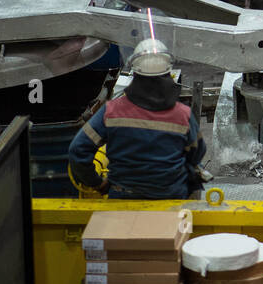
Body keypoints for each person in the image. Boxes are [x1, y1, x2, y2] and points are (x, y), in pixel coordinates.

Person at [68, 38, 206, 199]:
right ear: (168, 73)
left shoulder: (110, 111)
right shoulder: (183, 115)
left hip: (122, 197)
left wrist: (96, 182)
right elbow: (197, 154)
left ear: (135, 73)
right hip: (171, 198)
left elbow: (77, 150)